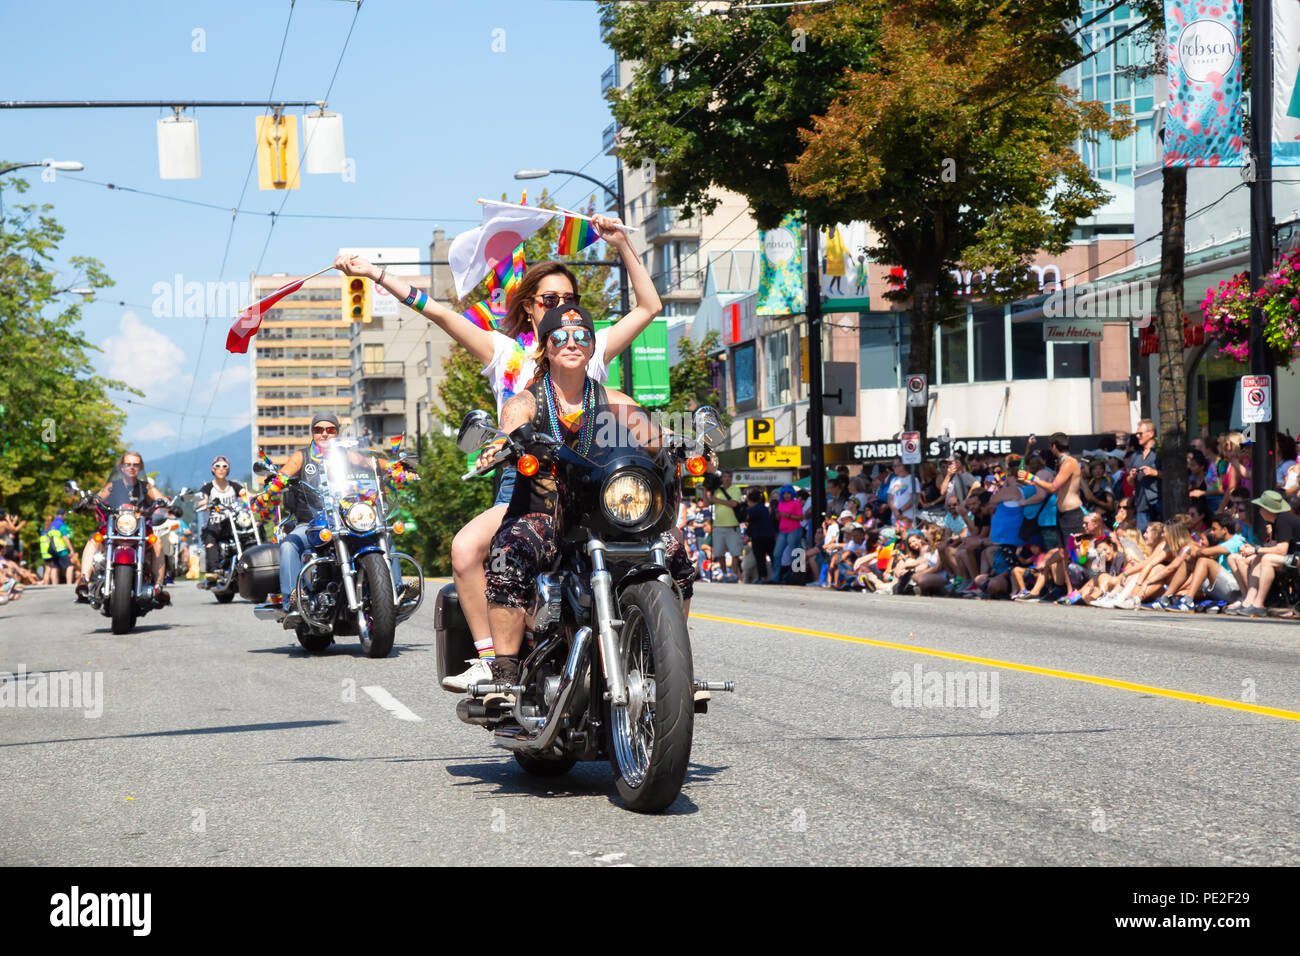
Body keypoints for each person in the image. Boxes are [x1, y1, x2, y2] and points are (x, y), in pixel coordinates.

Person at [336, 216, 660, 693]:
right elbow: (440, 313)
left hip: (596, 483)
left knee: (664, 550)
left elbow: (650, 306)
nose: (563, 312)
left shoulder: (587, 347)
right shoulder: (504, 351)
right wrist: (376, 273)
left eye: (571, 302)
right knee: (468, 549)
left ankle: (661, 665)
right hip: (528, 482)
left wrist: (623, 243)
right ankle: (494, 663)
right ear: (529, 306)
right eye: (551, 301)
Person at [481, 305, 697, 690]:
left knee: (676, 556)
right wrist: (507, 442)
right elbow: (511, 426)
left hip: (605, 513)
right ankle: (505, 675)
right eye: (560, 337)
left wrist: (685, 446)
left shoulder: (613, 400)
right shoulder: (527, 401)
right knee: (507, 554)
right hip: (543, 512)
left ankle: (666, 667)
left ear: (592, 347)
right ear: (545, 347)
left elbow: (653, 439)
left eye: (582, 336)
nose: (571, 343)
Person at [252, 412, 416, 614]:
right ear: (312, 433)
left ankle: (396, 590)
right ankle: (293, 600)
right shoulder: (301, 457)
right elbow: (281, 477)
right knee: (288, 545)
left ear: (337, 433)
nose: (324, 434)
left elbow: (372, 464)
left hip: (346, 519)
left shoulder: (347, 455)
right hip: (312, 523)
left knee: (383, 533)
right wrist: (274, 486)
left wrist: (396, 468)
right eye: (318, 429)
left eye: (330, 430)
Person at [75, 451, 170, 604]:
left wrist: (166, 502)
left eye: (136, 465)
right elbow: (98, 498)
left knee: (156, 542)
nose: (132, 467)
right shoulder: (112, 486)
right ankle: (84, 581)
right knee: (94, 539)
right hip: (115, 528)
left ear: (140, 468)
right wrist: (88, 502)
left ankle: (158, 587)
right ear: (121, 468)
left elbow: (160, 497)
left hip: (139, 529)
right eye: (128, 464)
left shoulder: (146, 487)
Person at [1226, 490, 1300, 616]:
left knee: (1266, 559)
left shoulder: (1283, 519)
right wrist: (1254, 549)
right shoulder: (1278, 520)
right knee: (1259, 557)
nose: (1258, 510)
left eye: (1260, 507)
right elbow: (1274, 545)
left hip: (1297, 558)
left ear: (1267, 509)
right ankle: (1248, 601)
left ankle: (1259, 604)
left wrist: (1255, 550)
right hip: (1291, 556)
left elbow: (1281, 550)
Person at [196, 455, 246, 578]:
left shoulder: (234, 486)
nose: (221, 469)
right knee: (211, 533)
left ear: (228, 469)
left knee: (254, 527)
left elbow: (246, 496)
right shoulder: (207, 488)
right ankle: (214, 570)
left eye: (225, 466)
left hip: (232, 524)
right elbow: (199, 501)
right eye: (217, 466)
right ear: (213, 469)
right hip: (213, 524)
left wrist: (263, 496)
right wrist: (205, 503)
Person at [705, 471, 744, 581]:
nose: (727, 479)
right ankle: (725, 574)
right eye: (725, 477)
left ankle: (733, 575)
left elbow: (734, 503)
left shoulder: (735, 489)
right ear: (721, 478)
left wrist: (716, 500)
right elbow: (707, 504)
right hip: (718, 526)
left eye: (730, 476)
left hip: (733, 525)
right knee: (719, 552)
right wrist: (704, 490)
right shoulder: (716, 489)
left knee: (735, 553)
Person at [771, 484, 804, 582]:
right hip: (783, 531)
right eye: (784, 493)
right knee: (777, 553)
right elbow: (778, 518)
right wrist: (777, 514)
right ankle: (775, 577)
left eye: (788, 493)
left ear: (792, 493)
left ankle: (794, 576)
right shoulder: (780, 503)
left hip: (794, 530)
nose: (786, 495)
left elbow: (801, 517)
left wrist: (787, 515)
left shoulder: (796, 503)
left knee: (794, 553)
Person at [742, 488, 775, 582]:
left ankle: (763, 578)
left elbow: (745, 518)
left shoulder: (752, 510)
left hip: (758, 536)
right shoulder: (764, 508)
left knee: (760, 559)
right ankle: (776, 575)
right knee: (772, 557)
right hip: (769, 536)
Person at [886, 457, 921, 527]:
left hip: (909, 517)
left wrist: (900, 511)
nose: (893, 468)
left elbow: (913, 499)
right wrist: (895, 511)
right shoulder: (894, 480)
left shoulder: (912, 479)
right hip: (895, 518)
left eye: (895, 466)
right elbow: (890, 499)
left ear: (902, 466)